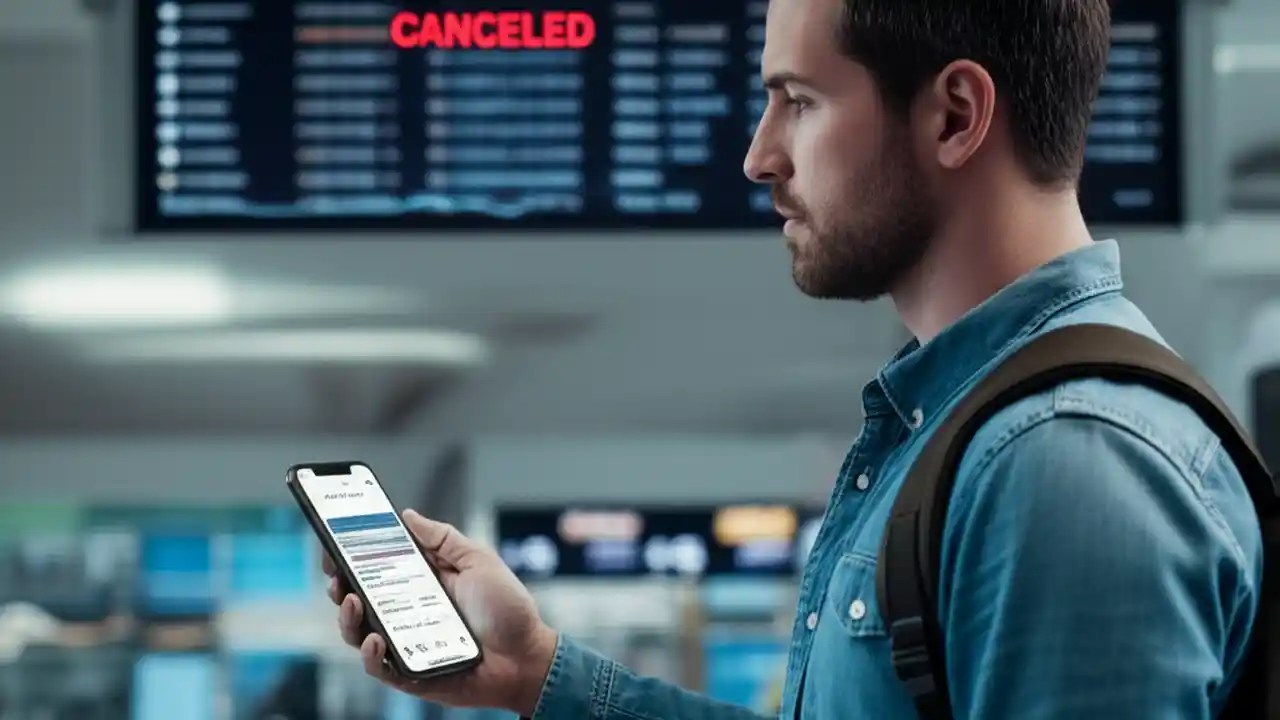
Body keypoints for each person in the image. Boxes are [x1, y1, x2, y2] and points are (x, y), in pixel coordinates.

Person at [324, 0, 1264, 717]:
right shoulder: (968, 432)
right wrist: (537, 672)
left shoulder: (1064, 468)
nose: (759, 156)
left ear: (954, 116)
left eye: (798, 102)